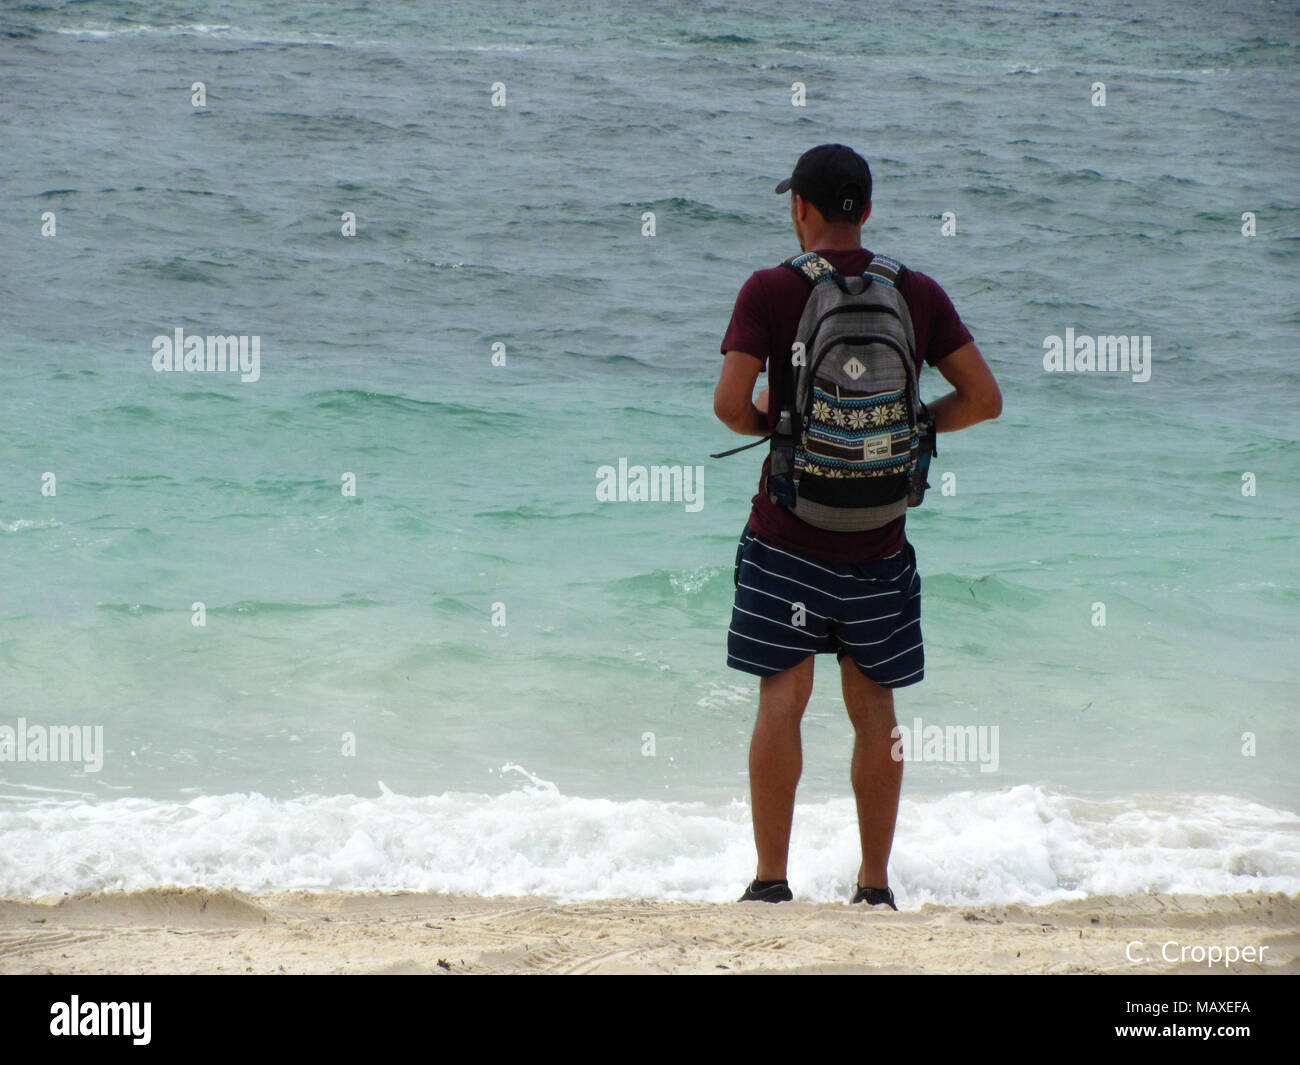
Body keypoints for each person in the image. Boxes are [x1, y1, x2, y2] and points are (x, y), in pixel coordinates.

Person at [714, 144, 1002, 907]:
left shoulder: (770, 289)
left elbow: (727, 402)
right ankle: (874, 886)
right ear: (866, 211)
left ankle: (771, 881)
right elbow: (984, 398)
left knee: (783, 697)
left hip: (786, 533)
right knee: (875, 707)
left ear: (799, 208)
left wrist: (777, 425)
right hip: (879, 541)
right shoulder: (916, 291)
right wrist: (911, 429)